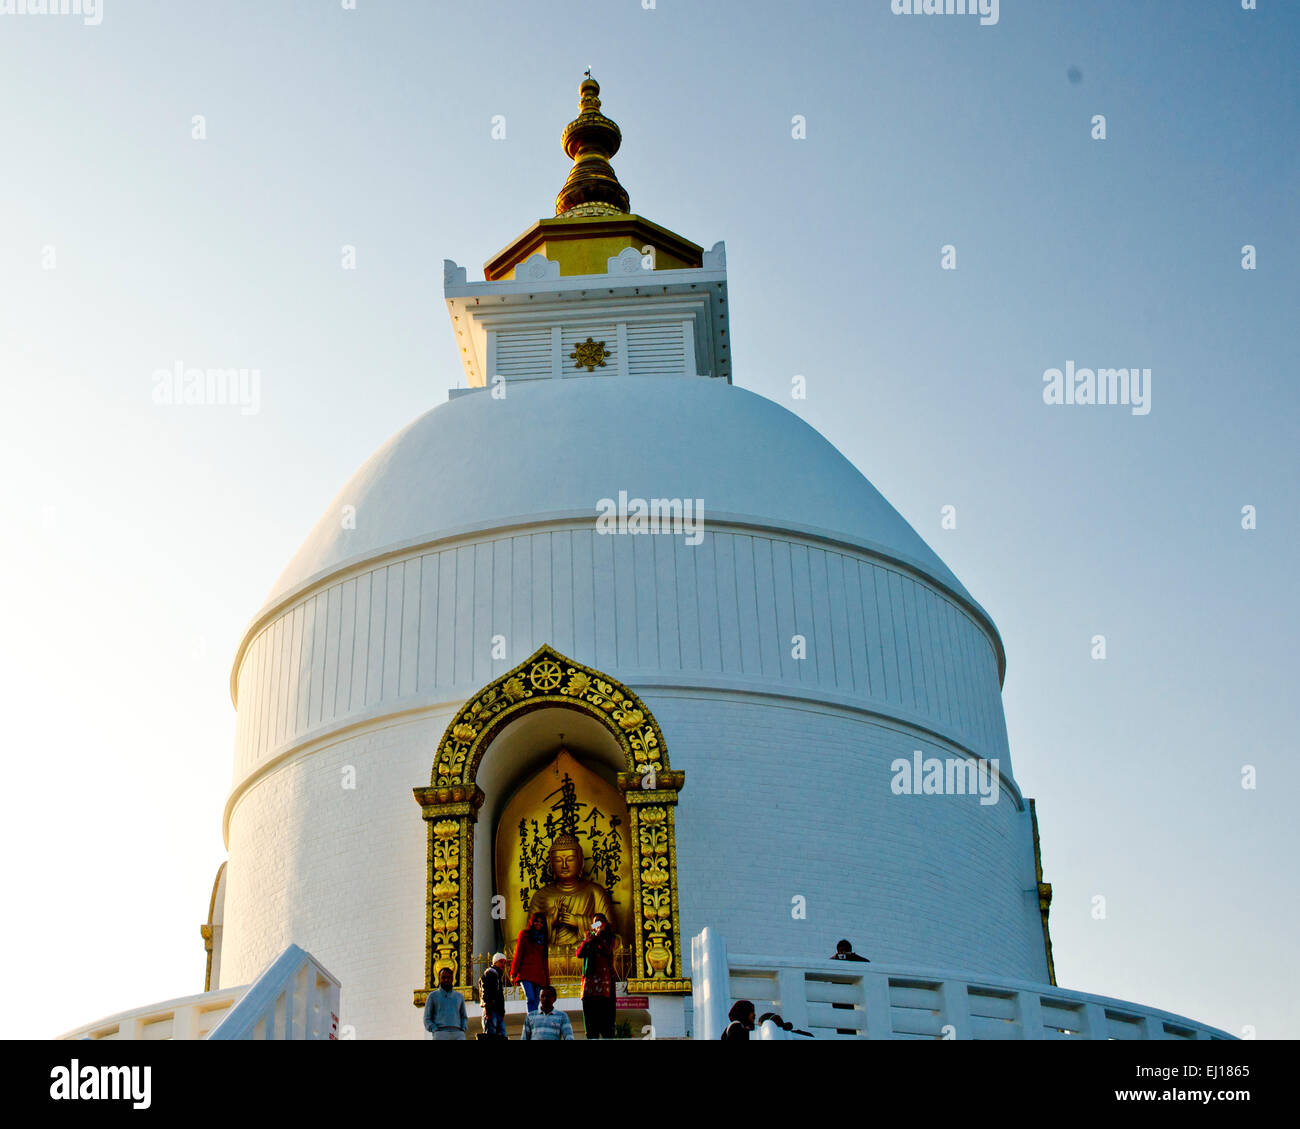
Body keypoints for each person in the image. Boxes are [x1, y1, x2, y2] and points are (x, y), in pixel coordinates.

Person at [528, 834, 616, 947]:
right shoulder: (541, 895)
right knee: (513, 947)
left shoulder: (594, 891)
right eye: (558, 860)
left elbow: (608, 925)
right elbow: (530, 931)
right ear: (551, 864)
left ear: (581, 862)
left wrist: (578, 921)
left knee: (617, 942)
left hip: (587, 946)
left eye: (570, 859)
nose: (564, 865)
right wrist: (551, 921)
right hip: (551, 950)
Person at [574, 911, 617, 1039]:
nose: (597, 924)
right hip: (589, 984)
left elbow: (607, 950)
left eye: (599, 921)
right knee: (590, 1021)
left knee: (606, 1021)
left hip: (604, 985)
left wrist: (598, 937)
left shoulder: (610, 937)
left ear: (605, 923)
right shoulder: (591, 938)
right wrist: (586, 941)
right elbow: (579, 954)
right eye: (594, 922)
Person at [511, 912, 550, 1013]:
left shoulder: (544, 938)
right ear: (532, 922)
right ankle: (531, 1020)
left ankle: (533, 1020)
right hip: (526, 973)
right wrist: (513, 972)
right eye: (536, 921)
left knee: (537, 1000)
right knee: (531, 998)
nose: (539, 924)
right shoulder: (524, 935)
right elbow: (518, 954)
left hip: (539, 974)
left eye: (541, 922)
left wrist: (547, 980)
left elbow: (545, 960)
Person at [423, 966, 467, 1040]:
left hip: (458, 1033)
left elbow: (463, 1016)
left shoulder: (459, 997)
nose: (446, 979)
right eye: (443, 977)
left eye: (449, 977)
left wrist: (462, 1029)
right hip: (440, 1033)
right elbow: (427, 1018)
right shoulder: (432, 996)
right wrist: (435, 1030)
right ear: (439, 979)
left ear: (452, 978)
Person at [478, 952, 508, 1039]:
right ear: (495, 962)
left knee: (500, 1035)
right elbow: (486, 992)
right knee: (492, 1035)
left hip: (496, 1011)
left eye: (504, 962)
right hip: (492, 1011)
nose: (503, 964)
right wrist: (488, 1010)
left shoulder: (497, 975)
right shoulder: (491, 974)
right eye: (501, 961)